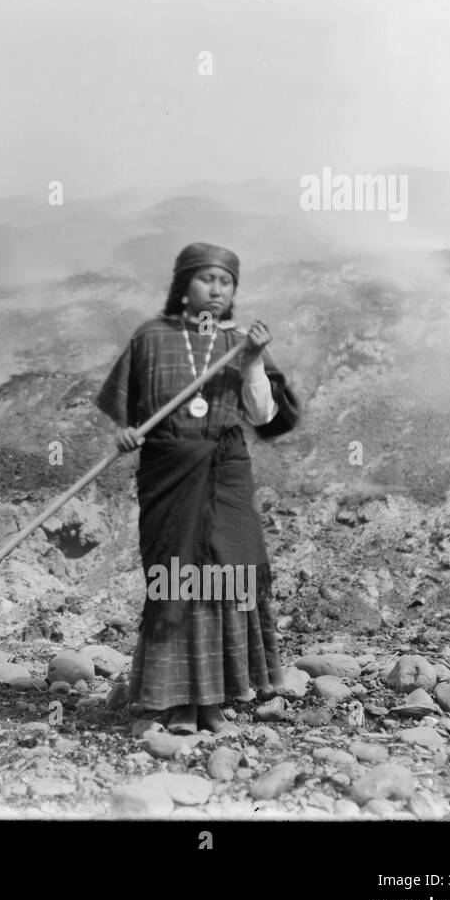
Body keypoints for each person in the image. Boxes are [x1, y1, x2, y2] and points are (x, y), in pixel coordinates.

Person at [96, 242, 301, 735]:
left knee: (228, 575)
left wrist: (251, 361)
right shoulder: (151, 337)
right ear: (182, 285)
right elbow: (130, 417)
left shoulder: (238, 342)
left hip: (225, 468)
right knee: (176, 576)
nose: (216, 288)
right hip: (168, 471)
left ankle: (216, 700)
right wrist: (125, 434)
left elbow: (263, 416)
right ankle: (179, 702)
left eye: (225, 281)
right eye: (206, 278)